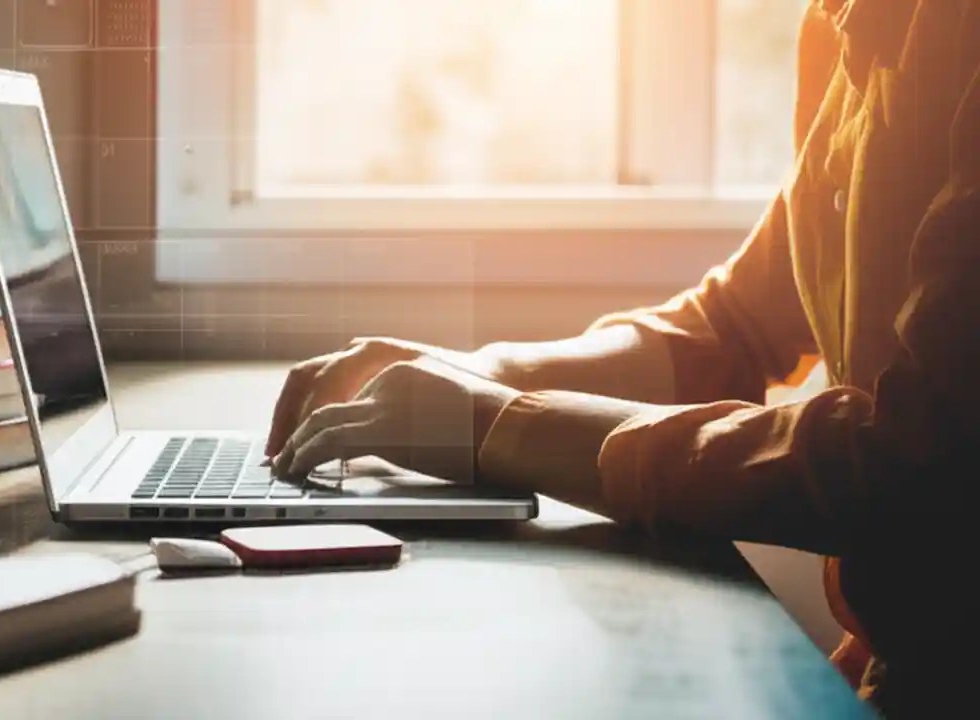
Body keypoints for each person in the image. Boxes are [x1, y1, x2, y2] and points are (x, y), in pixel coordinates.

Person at [264, 1, 978, 714]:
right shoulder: (850, 19)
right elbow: (731, 325)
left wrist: (496, 426)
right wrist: (479, 373)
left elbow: (918, 462)